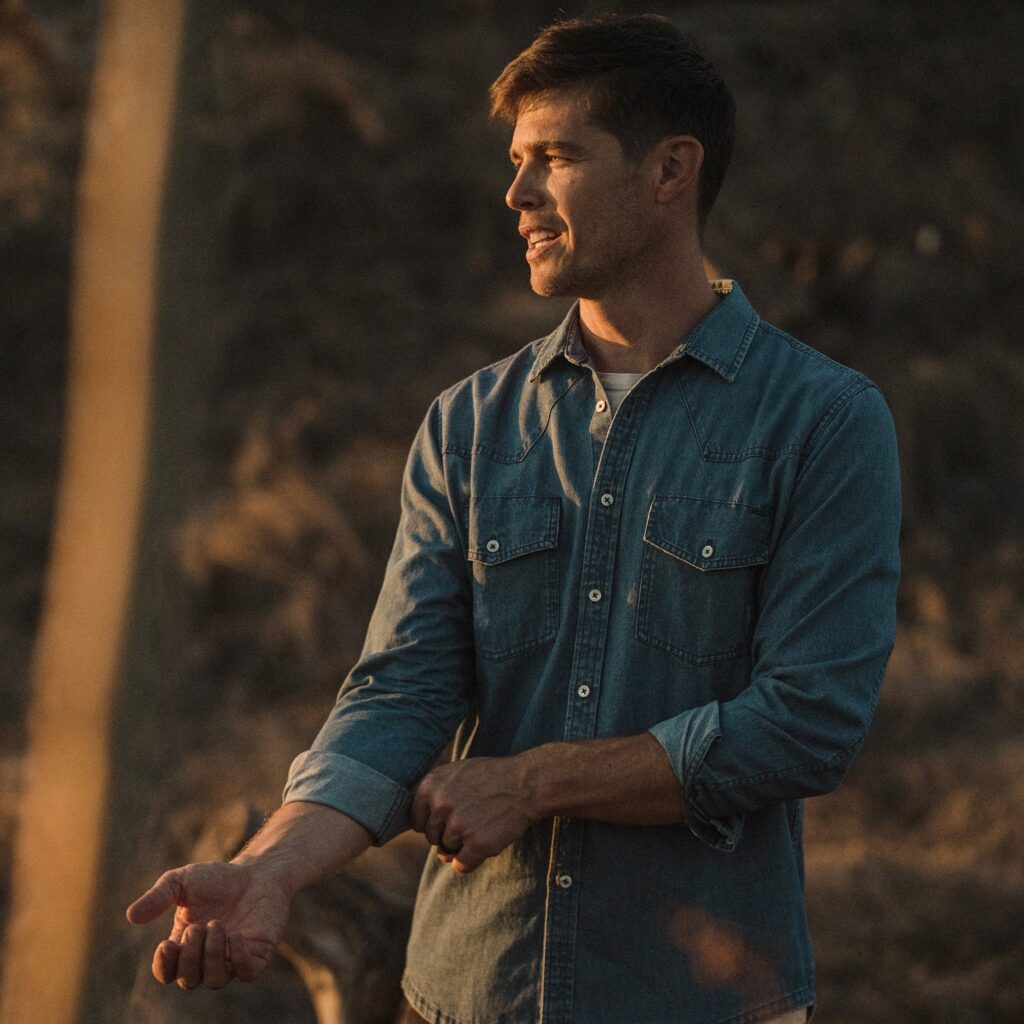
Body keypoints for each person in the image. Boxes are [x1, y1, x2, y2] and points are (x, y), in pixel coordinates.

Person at [127, 14, 900, 1024]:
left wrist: (533, 783)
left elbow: (804, 724)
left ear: (670, 171)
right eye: (516, 160)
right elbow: (399, 691)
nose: (518, 193)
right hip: (464, 995)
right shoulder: (468, 424)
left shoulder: (823, 420)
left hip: (701, 1001)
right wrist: (270, 867)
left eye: (557, 157)